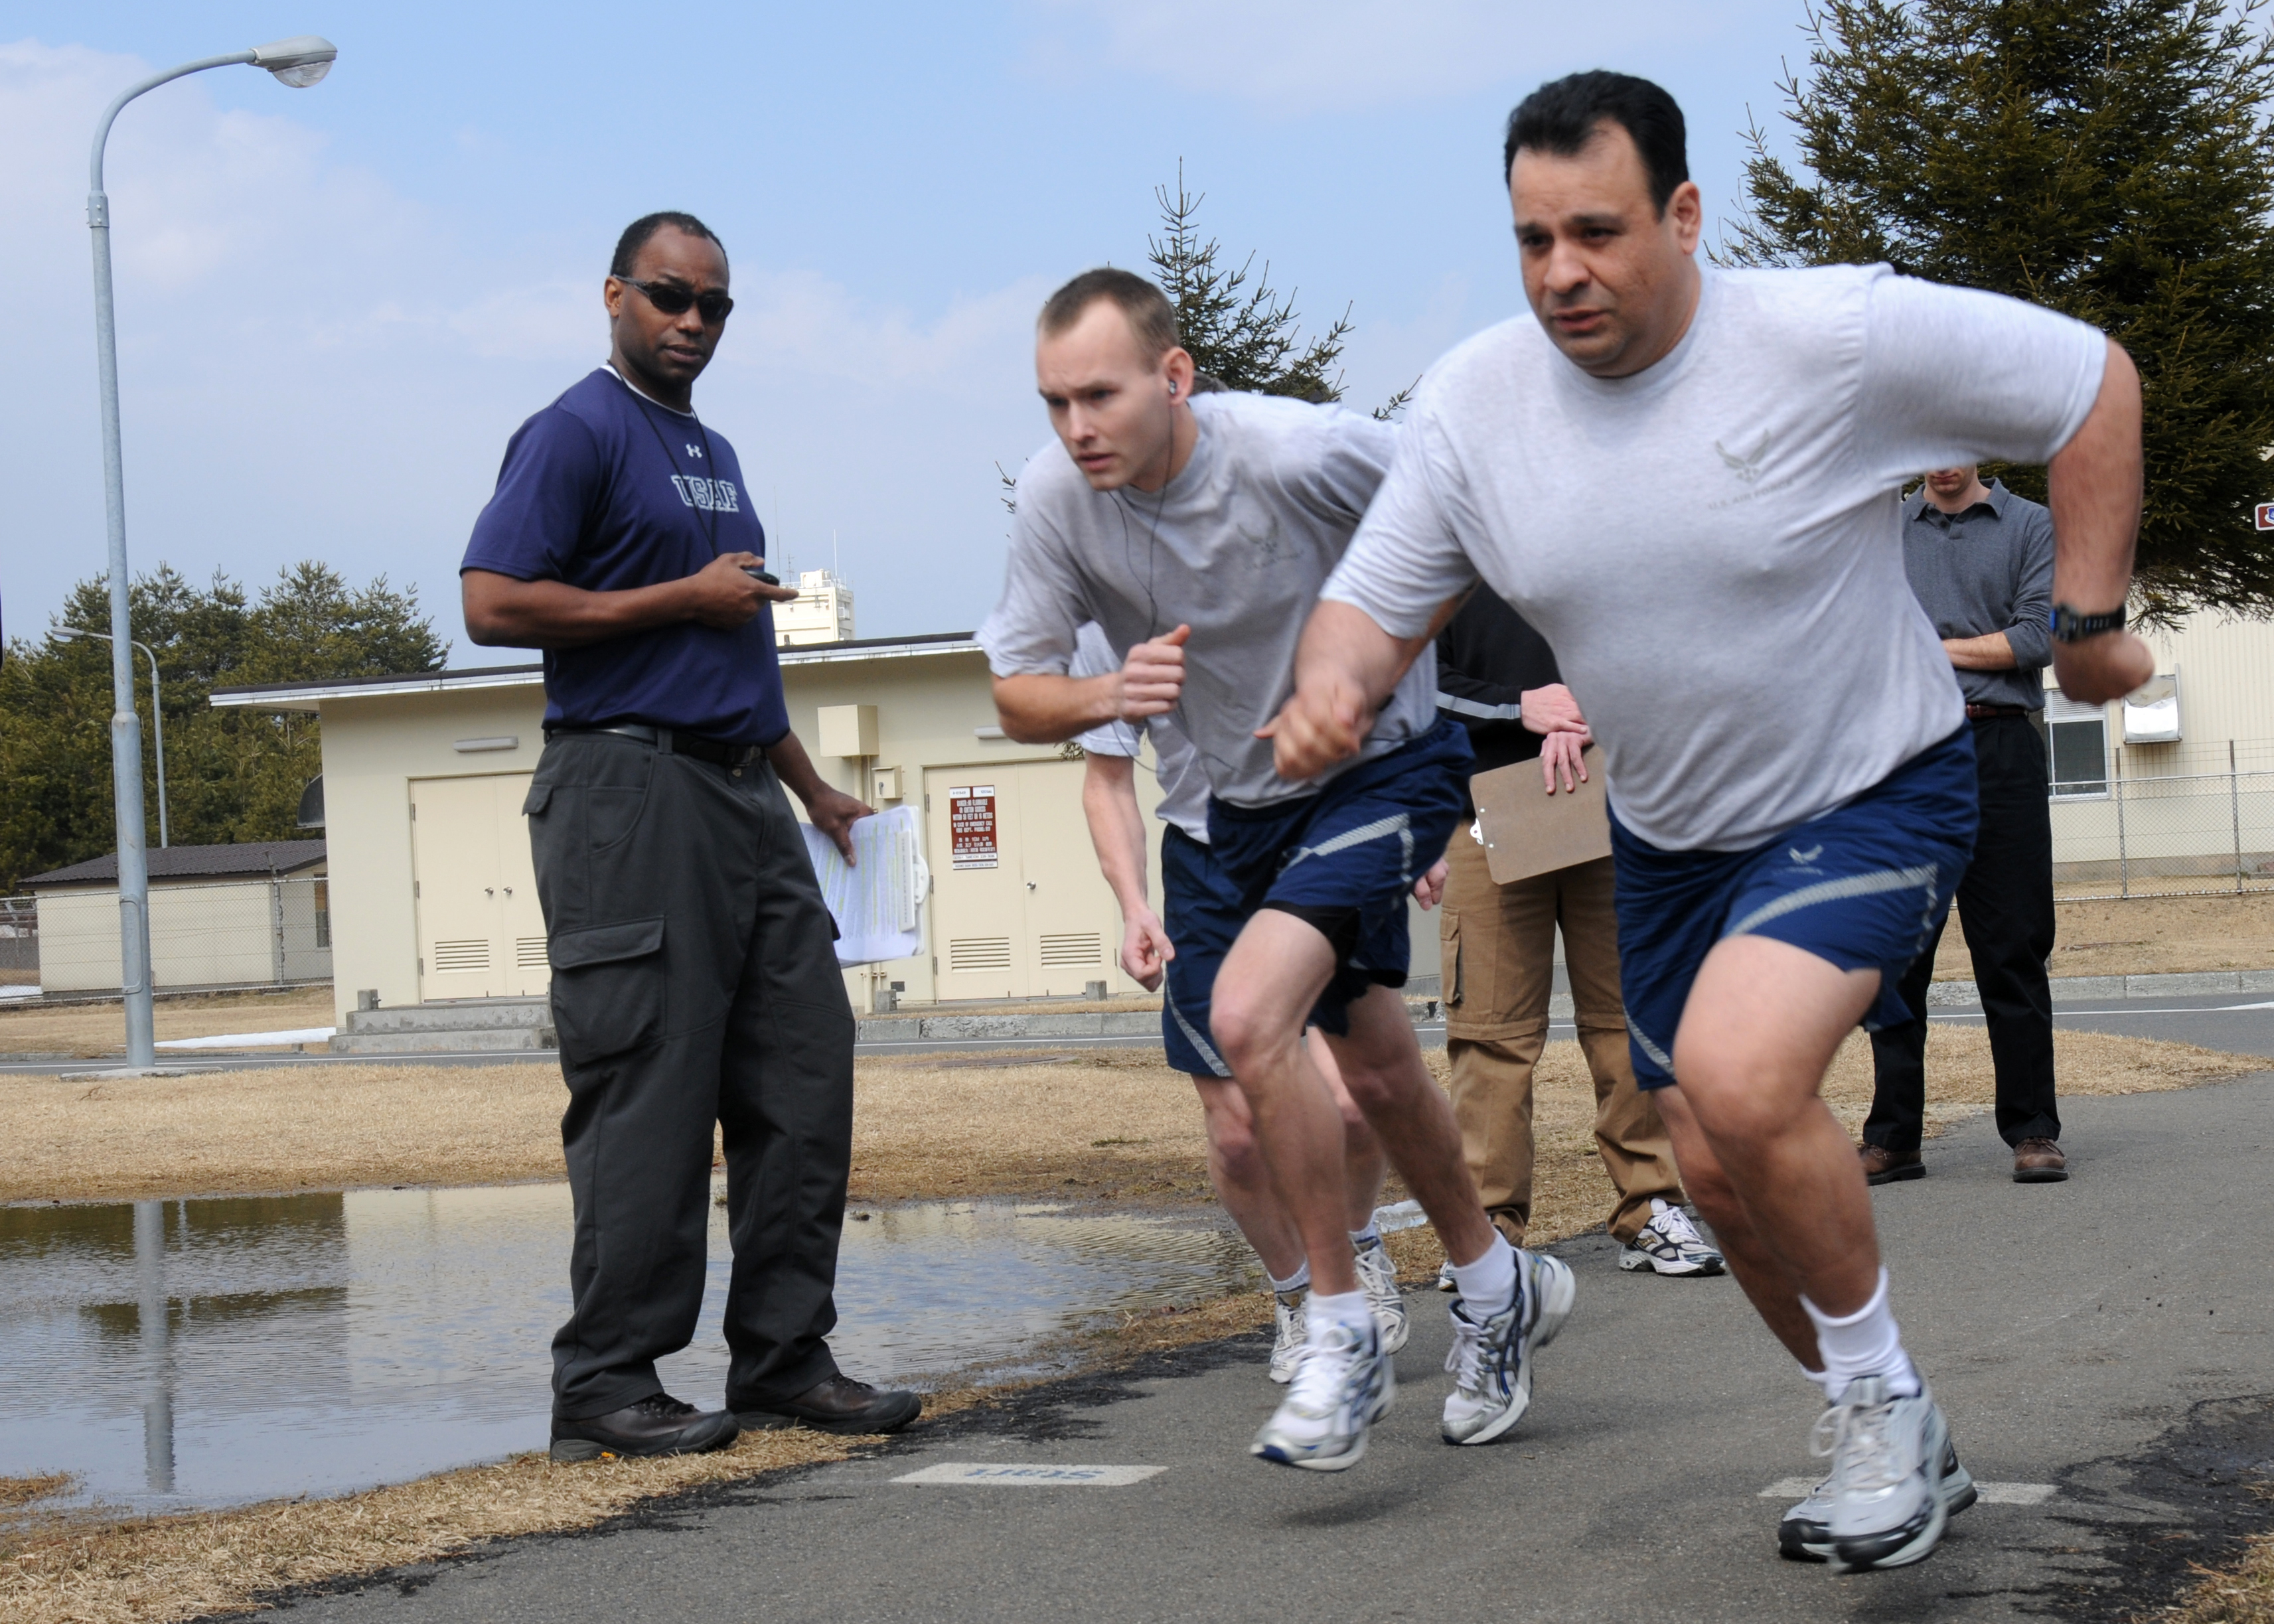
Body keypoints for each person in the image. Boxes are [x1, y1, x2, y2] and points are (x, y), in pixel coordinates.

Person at [1266, 72, 2149, 1568]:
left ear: (1684, 215)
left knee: (1740, 1078)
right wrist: (1331, 691)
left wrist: (2085, 614)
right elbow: (1375, 597)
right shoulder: (1478, 400)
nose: (1563, 274)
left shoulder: (1831, 336)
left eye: (1598, 232)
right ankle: (1884, 1414)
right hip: (1669, 833)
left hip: (1873, 781)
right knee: (1711, 1160)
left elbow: (2091, 383)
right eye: (1534, 240)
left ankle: (1878, 1408)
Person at [981, 268, 1571, 1473]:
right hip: (1219, 817)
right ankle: (1494, 1279)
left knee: (1254, 1021)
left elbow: (1463, 523)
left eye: (1099, 394)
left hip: (1377, 770)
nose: (1076, 427)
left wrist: (1355, 674)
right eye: (1053, 402)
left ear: (1175, 375)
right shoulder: (1056, 499)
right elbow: (1015, 691)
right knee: (1378, 1066)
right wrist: (1103, 694)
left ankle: (1339, 1325)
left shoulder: (1296, 453)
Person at [461, 210, 921, 1461]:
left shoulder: (712, 450)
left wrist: (811, 787)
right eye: (670, 296)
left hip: (743, 792)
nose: (694, 322)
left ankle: (782, 1356)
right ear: (613, 293)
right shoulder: (575, 429)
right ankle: (606, 1379)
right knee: (650, 1086)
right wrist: (682, 592)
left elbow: (737, 642)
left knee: (802, 1069)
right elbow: (492, 602)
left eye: (717, 305)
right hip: (626, 785)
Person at [1071, 621, 1409, 1380]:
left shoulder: (1283, 549)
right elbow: (1107, 778)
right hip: (1206, 867)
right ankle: (1299, 1299)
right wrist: (1133, 905)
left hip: (1321, 840)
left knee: (1352, 1101)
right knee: (1238, 1136)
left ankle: (1358, 1247)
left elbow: (1389, 700)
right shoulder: (1106, 617)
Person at [1432, 593, 1721, 1277]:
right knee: (1491, 1029)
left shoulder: (1605, 522)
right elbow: (1407, 678)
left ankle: (1651, 1204)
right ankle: (1491, 1225)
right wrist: (1521, 707)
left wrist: (1580, 709)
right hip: (1484, 808)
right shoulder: (1442, 539)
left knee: (1630, 1014)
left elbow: (1669, 645)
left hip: (1615, 796)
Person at [1863, 466, 2067, 1185]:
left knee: (2012, 947)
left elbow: (2039, 634)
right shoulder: (1881, 526)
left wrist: (1929, 648)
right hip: (1904, 752)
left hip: (2000, 747)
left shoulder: (2031, 524)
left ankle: (2034, 1128)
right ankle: (1894, 1137)